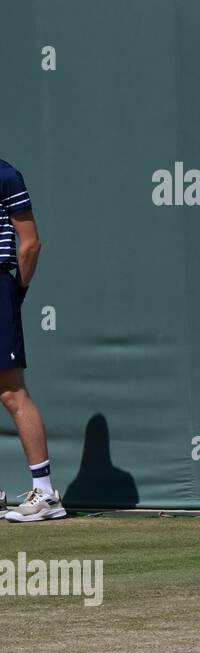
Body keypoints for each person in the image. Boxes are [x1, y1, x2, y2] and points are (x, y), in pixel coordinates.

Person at [0, 157, 65, 521]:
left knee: (12, 391)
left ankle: (45, 494)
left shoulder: (5, 175)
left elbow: (30, 244)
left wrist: (15, 290)